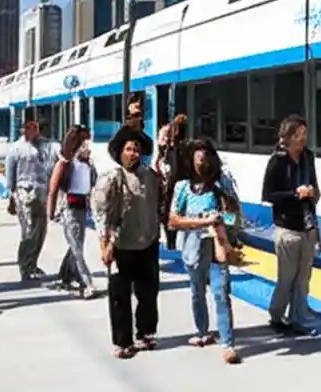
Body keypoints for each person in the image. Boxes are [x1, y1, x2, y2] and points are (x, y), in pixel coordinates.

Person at [169, 138, 242, 364]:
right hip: (193, 248)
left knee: (221, 293)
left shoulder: (221, 184)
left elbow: (234, 215)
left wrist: (222, 219)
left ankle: (228, 343)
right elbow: (173, 220)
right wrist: (201, 222)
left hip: (217, 247)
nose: (202, 163)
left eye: (206, 157)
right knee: (197, 292)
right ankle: (202, 331)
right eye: (198, 158)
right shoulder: (182, 187)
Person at [92, 126, 163, 359]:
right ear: (120, 152)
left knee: (149, 292)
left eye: (137, 150)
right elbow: (101, 212)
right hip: (121, 246)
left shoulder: (151, 176)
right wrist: (105, 243)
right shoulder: (112, 178)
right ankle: (123, 341)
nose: (133, 154)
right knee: (120, 297)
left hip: (148, 244)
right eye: (129, 149)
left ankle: (146, 333)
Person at [260, 114, 321, 337]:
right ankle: (276, 314)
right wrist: (296, 194)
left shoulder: (308, 158)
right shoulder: (277, 160)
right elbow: (268, 194)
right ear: (288, 137)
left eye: (304, 133)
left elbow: (314, 185)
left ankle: (299, 317)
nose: (303, 138)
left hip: (307, 224)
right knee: (287, 277)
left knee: (304, 276)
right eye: (299, 134)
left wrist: (314, 194)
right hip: (287, 227)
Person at [48, 125, 98, 298]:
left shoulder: (88, 165)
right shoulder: (65, 163)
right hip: (69, 209)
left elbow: (93, 186)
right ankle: (87, 283)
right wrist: (51, 211)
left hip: (82, 209)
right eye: (85, 142)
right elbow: (53, 188)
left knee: (75, 245)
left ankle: (66, 276)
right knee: (77, 249)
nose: (88, 146)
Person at [5, 119, 58, 282]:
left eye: (35, 127)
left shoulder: (47, 146)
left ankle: (33, 263)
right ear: (23, 129)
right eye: (28, 127)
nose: (32, 130)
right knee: (28, 230)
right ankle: (25, 266)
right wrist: (11, 196)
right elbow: (10, 173)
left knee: (40, 230)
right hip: (24, 192)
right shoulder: (15, 148)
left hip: (41, 192)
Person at [155, 113, 190, 250]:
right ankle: (174, 243)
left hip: (171, 188)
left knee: (168, 216)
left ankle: (171, 243)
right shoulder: (183, 148)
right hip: (179, 188)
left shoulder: (171, 150)